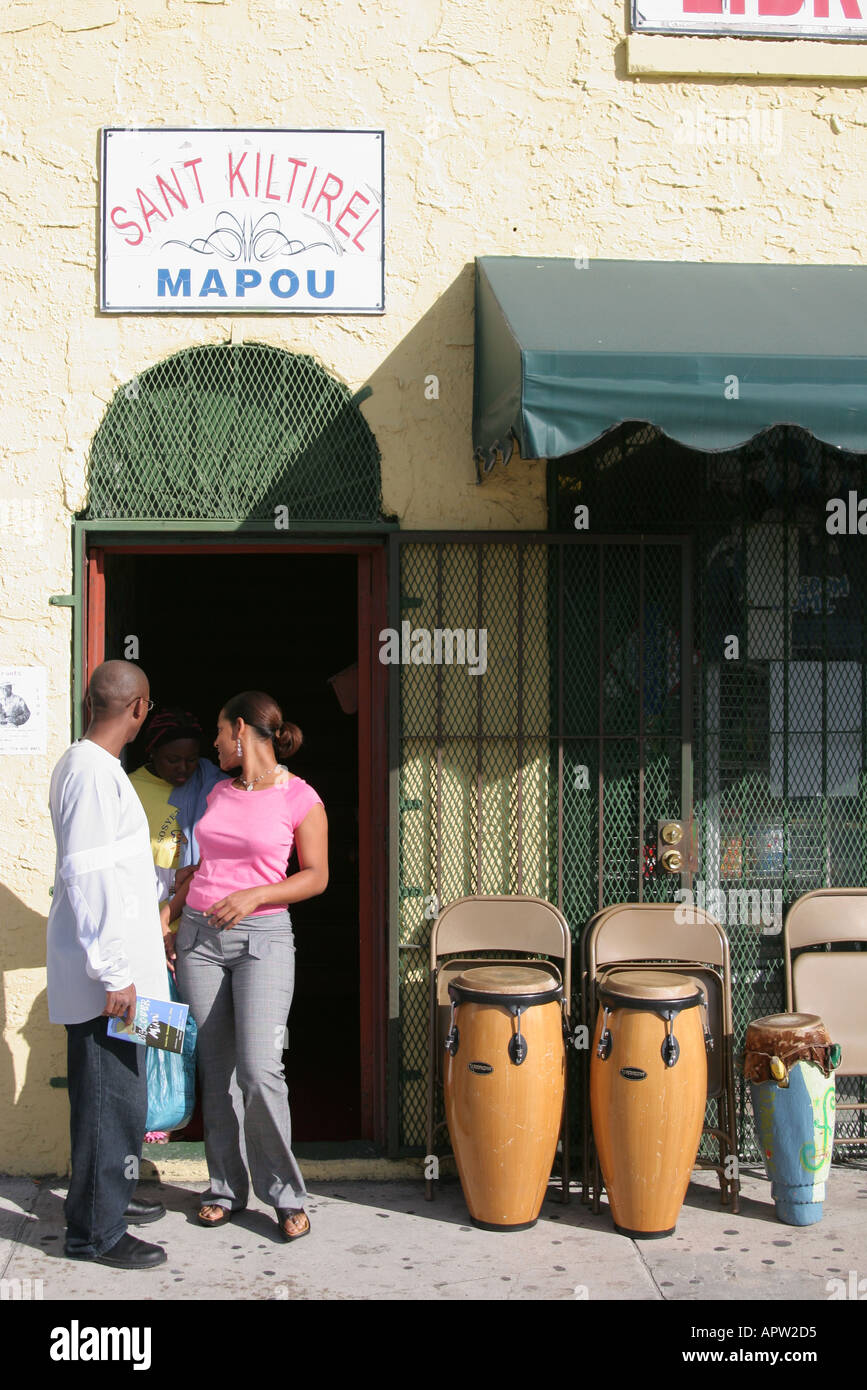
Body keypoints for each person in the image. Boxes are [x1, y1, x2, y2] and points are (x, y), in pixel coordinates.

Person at [168, 690, 328, 1242]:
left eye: (218, 732)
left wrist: (255, 896)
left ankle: (286, 1194)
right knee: (217, 1071)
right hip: (199, 936)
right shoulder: (218, 791)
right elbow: (206, 863)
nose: (213, 744)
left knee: (260, 1070)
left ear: (240, 729)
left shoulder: (300, 797)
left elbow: (316, 876)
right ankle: (224, 1189)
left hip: (263, 939)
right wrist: (171, 911)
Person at [46, 660, 170, 1270]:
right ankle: (95, 1231)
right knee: (108, 1101)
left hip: (124, 979)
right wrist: (115, 972)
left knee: (123, 1099)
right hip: (110, 985)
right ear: (139, 709)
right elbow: (87, 875)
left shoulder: (96, 768)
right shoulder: (91, 772)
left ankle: (108, 1198)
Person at [129, 707, 229, 1141]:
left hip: (199, 914)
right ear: (152, 753)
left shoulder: (211, 783)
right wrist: (163, 914)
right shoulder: (131, 789)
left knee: (202, 1021)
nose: (184, 769)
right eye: (173, 760)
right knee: (157, 1016)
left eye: (191, 760)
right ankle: (159, 1107)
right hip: (150, 920)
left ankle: (194, 1107)